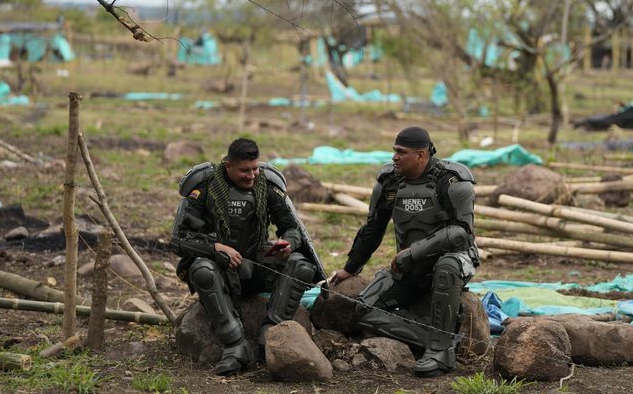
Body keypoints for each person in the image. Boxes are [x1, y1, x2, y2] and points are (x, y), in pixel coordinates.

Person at [330, 127, 479, 377]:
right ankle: (440, 339)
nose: (394, 157)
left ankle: (440, 354)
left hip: (454, 260)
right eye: (394, 151)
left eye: (401, 152)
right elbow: (374, 227)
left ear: (421, 155)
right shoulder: (389, 180)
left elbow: (461, 233)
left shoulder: (452, 181)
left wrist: (413, 252)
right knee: (365, 310)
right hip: (410, 269)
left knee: (447, 266)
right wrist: (351, 267)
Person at [170, 138, 325, 375]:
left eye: (255, 168)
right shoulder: (205, 187)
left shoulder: (266, 185)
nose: (251, 175)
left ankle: (270, 336)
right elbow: (179, 240)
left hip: (256, 265)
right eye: (244, 170)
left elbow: (292, 229)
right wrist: (216, 248)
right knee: (201, 269)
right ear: (228, 165)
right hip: (221, 270)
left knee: (301, 266)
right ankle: (235, 344)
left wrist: (287, 243)